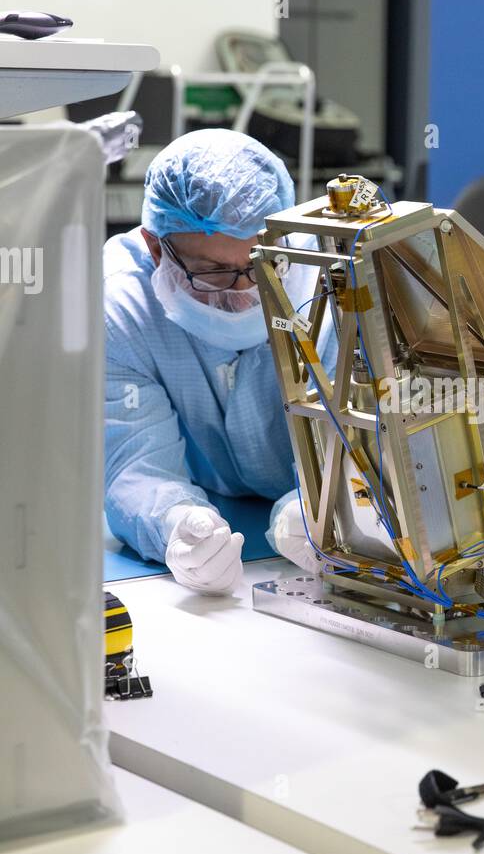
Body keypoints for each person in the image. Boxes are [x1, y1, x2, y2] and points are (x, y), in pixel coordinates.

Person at [104, 128, 332, 593]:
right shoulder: (122, 308)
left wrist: (329, 505)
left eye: (261, 266)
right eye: (213, 273)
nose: (245, 294)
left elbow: (382, 447)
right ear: (155, 248)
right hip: (218, 515)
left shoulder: (335, 283)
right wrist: (175, 522)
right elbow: (135, 465)